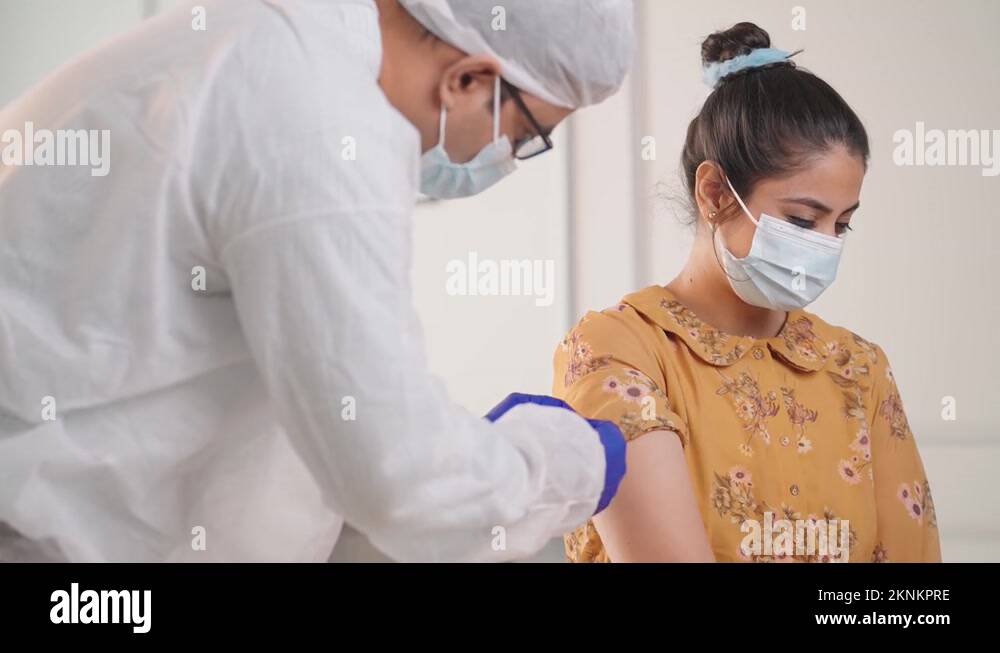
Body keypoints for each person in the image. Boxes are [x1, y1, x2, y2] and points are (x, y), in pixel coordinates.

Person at [0, 0, 635, 562]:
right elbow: (407, 485)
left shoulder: (262, 41)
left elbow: (314, 421)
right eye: (524, 136)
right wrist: (563, 465)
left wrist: (470, 454)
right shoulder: (326, 124)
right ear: (468, 78)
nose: (502, 160)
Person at [553, 22, 941, 563]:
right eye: (803, 221)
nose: (826, 246)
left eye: (842, 225)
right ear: (714, 192)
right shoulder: (621, 352)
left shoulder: (857, 369)